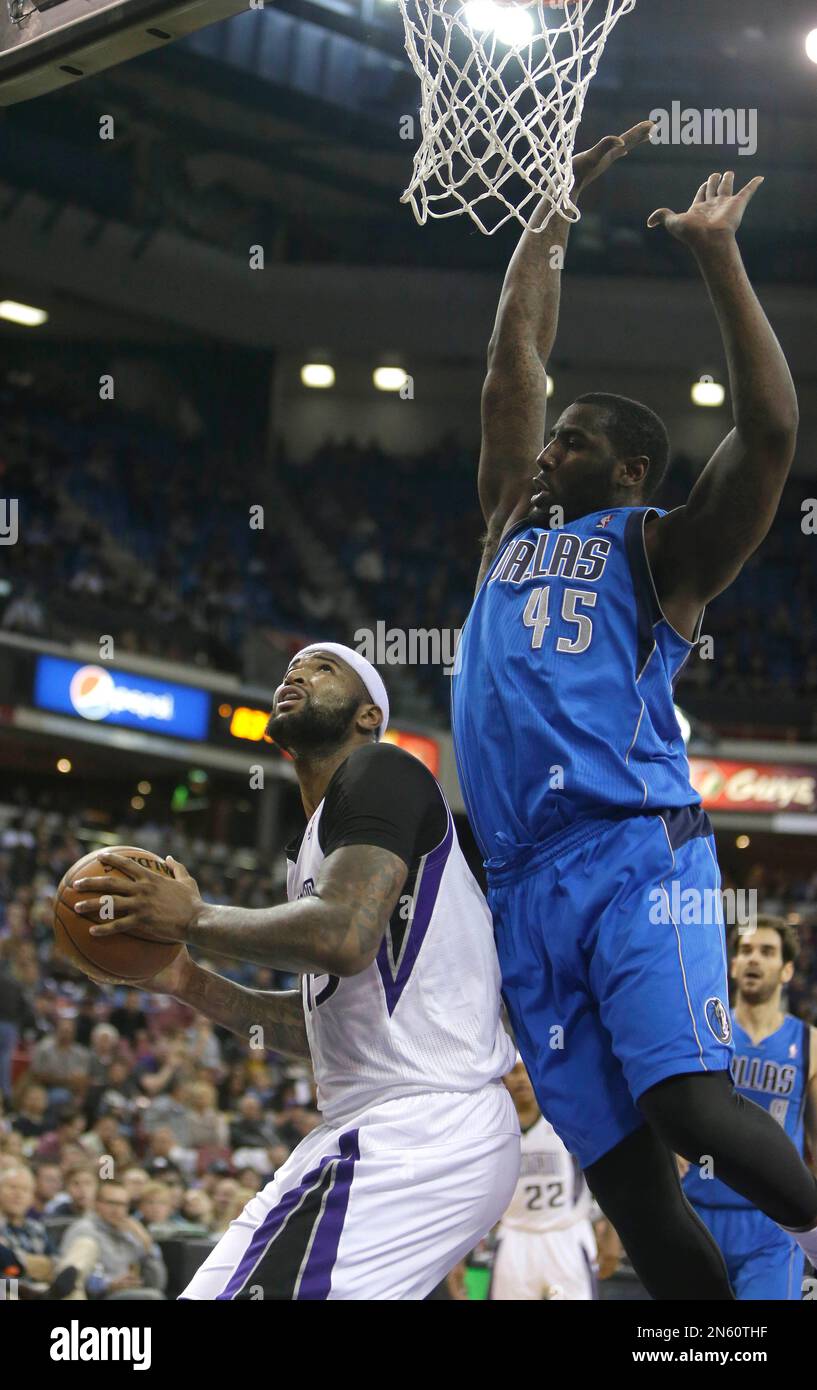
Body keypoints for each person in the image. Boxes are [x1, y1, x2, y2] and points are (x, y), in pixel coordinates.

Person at [449, 122, 817, 1299]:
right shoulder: (511, 523)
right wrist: (548, 214)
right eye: (551, 435)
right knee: (636, 1197)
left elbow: (766, 437)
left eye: (574, 442)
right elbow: (516, 355)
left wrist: (717, 256)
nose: (546, 447)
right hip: (520, 883)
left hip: (629, 851)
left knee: (686, 1103)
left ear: (627, 472)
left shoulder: (660, 553)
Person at [72, 642, 519, 1300]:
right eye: (290, 669)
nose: (297, 674)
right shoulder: (313, 847)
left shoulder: (379, 771)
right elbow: (318, 1029)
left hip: (419, 1129)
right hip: (378, 1127)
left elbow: (342, 937)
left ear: (369, 714)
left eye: (323, 668)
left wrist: (193, 917)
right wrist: (188, 981)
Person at [684, 917, 817, 1299]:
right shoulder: (701, 1032)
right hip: (697, 1214)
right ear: (733, 964)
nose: (754, 959)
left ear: (788, 970)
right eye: (745, 951)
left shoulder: (809, 1044)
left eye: (767, 951)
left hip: (775, 1226)